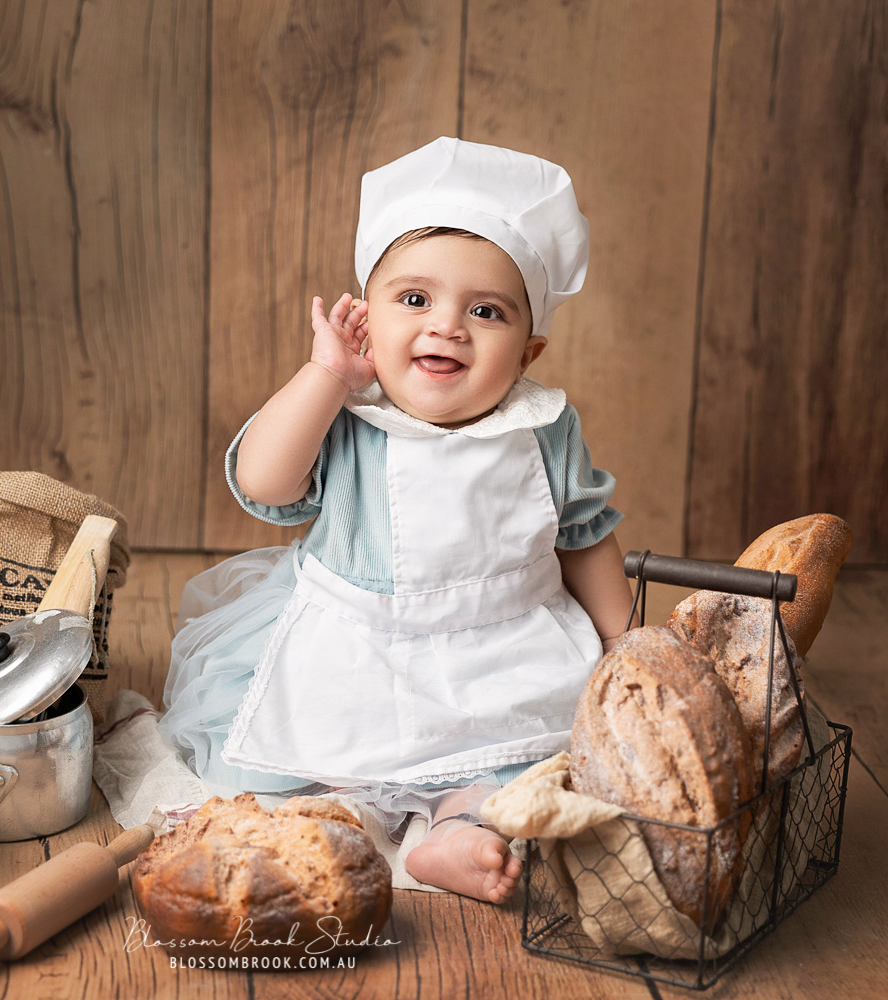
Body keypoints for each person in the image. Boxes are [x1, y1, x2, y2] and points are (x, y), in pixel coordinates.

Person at [157, 137, 633, 903]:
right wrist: (323, 378)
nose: (446, 327)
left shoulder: (544, 426)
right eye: (414, 300)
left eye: (485, 311)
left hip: (501, 650)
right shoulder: (350, 413)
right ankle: (340, 822)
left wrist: (619, 644)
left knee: (520, 765)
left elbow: (583, 533)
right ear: (366, 320)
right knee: (291, 760)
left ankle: (456, 831)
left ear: (528, 349)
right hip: (354, 645)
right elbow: (264, 480)